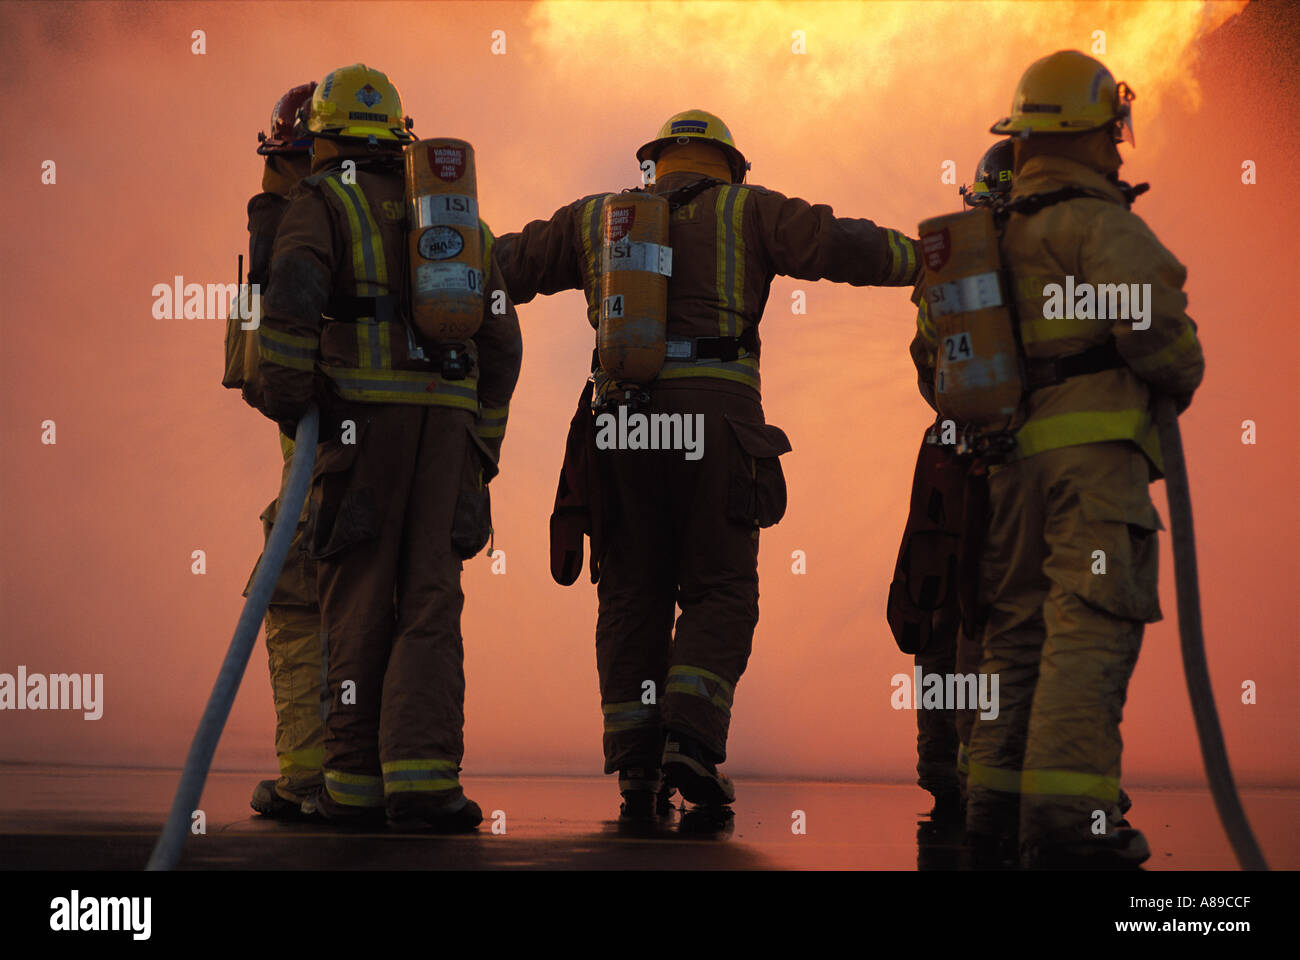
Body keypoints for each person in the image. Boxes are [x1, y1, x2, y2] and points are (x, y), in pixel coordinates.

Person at [497, 109, 920, 819]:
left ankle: (636, 764)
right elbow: (840, 245)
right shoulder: (750, 211)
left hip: (623, 423)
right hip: (716, 419)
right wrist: (928, 259)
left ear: (657, 162)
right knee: (719, 589)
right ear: (729, 164)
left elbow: (503, 267)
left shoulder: (596, 220)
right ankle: (689, 741)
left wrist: (408, 274)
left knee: (633, 591)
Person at [913, 50, 1204, 867]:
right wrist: (1182, 370)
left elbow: (934, 353)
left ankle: (993, 814)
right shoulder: (1093, 221)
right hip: (1091, 473)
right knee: (1089, 630)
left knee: (1015, 638)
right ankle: (1075, 825)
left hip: (1011, 473)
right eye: (1113, 128)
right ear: (1085, 130)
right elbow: (1154, 327)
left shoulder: (989, 235)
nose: (1120, 146)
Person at [257, 63, 522, 832]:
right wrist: (481, 450)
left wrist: (290, 393)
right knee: (431, 601)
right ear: (399, 136)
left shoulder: (321, 200)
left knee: (358, 600)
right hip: (445, 435)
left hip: (359, 430)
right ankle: (426, 783)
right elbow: (502, 342)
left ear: (324, 137)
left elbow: (294, 298)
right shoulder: (458, 218)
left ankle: (352, 784)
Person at [892, 139, 1014, 828]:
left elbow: (926, 363)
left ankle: (944, 767)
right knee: (998, 612)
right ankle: (992, 773)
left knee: (939, 599)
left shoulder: (950, 262)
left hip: (946, 451)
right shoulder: (1044, 250)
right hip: (1020, 459)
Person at [222, 80, 326, 820]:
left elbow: (255, 373)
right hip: (418, 451)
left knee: (294, 599)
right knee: (402, 604)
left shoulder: (293, 226)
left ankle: (312, 779)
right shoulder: (416, 218)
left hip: (321, 466)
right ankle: (393, 775)